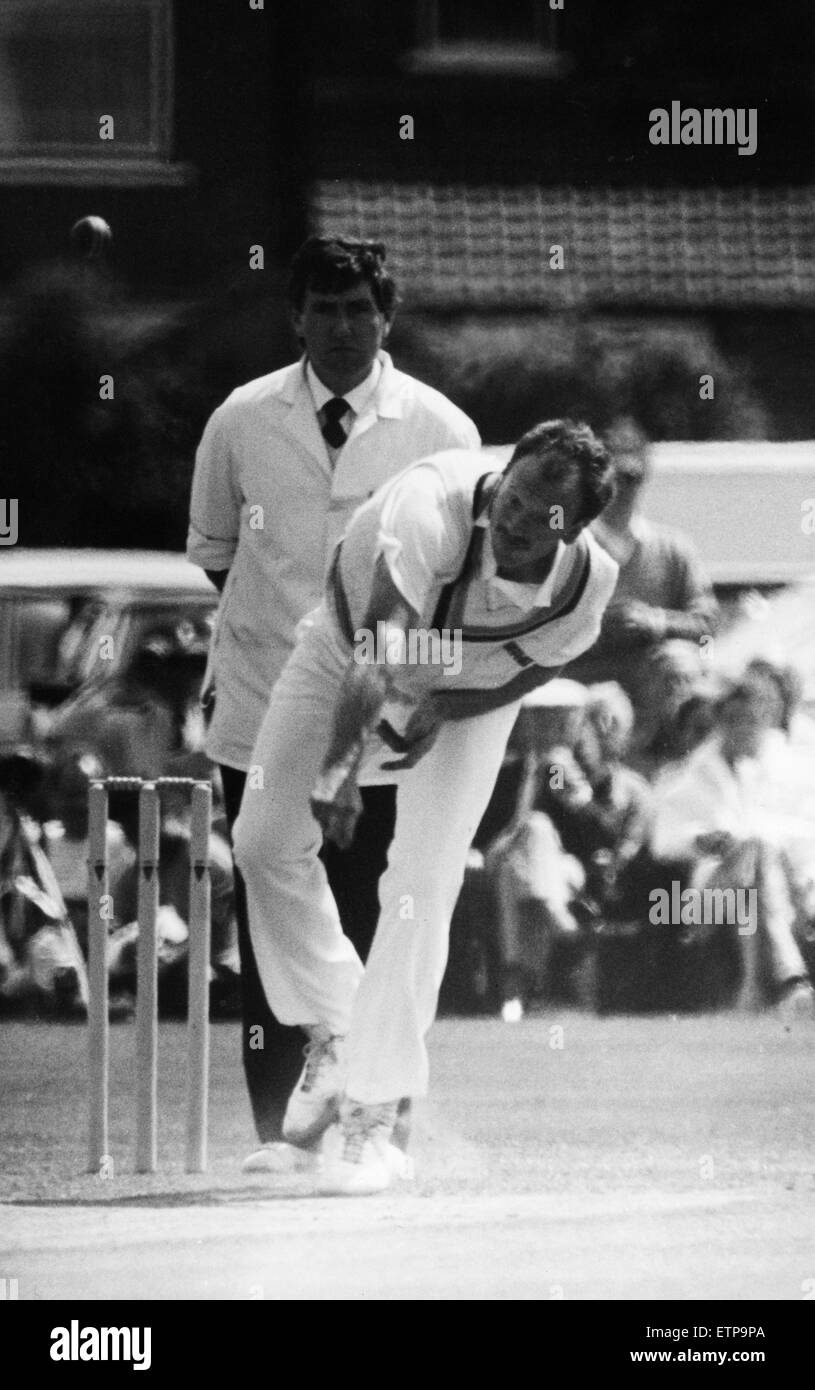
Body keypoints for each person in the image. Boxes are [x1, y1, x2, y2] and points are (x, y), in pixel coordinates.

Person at [233, 419, 619, 1194]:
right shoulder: (427, 507)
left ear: (573, 530)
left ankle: (372, 1114)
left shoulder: (588, 584)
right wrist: (340, 773)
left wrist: (450, 702)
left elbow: (538, 665)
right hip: (352, 647)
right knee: (261, 840)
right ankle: (338, 1031)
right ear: (500, 476)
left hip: (467, 685)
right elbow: (382, 646)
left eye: (541, 517)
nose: (514, 522)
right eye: (510, 498)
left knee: (421, 884)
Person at [186, 236, 479, 1171]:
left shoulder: (440, 428)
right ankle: (283, 1135)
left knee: (371, 911)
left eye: (359, 309)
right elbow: (219, 555)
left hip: (384, 710)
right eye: (325, 307)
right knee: (270, 911)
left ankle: (375, 1131)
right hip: (262, 696)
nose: (342, 327)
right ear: (296, 315)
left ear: (386, 318)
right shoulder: (240, 418)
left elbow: (455, 586)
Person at [650, 676, 815, 1019]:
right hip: (707, 903)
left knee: (757, 863)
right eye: (733, 719)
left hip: (790, 892)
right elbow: (663, 842)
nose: (741, 728)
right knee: (753, 855)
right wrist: (700, 839)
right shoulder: (691, 775)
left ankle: (754, 988)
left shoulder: (797, 771)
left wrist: (759, 839)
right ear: (720, 721)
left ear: (769, 719)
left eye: (751, 719)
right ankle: (790, 975)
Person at [566, 417, 718, 704]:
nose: (621, 488)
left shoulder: (673, 548)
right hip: (583, 684)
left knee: (682, 662)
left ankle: (665, 746)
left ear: (645, 478)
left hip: (650, 688)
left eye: (631, 477)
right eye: (612, 477)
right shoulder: (569, 548)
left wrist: (657, 621)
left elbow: (707, 625)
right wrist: (597, 627)